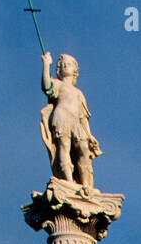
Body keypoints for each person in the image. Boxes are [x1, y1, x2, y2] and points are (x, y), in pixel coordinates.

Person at [40, 52, 102, 188]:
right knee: (64, 146)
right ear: (58, 70)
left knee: (83, 148)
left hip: (76, 122)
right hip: (61, 117)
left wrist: (89, 135)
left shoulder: (78, 93)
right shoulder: (57, 84)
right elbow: (46, 86)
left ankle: (85, 184)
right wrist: (46, 64)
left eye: (68, 64)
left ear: (75, 70)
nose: (64, 66)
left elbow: (83, 117)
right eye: (61, 65)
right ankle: (68, 181)